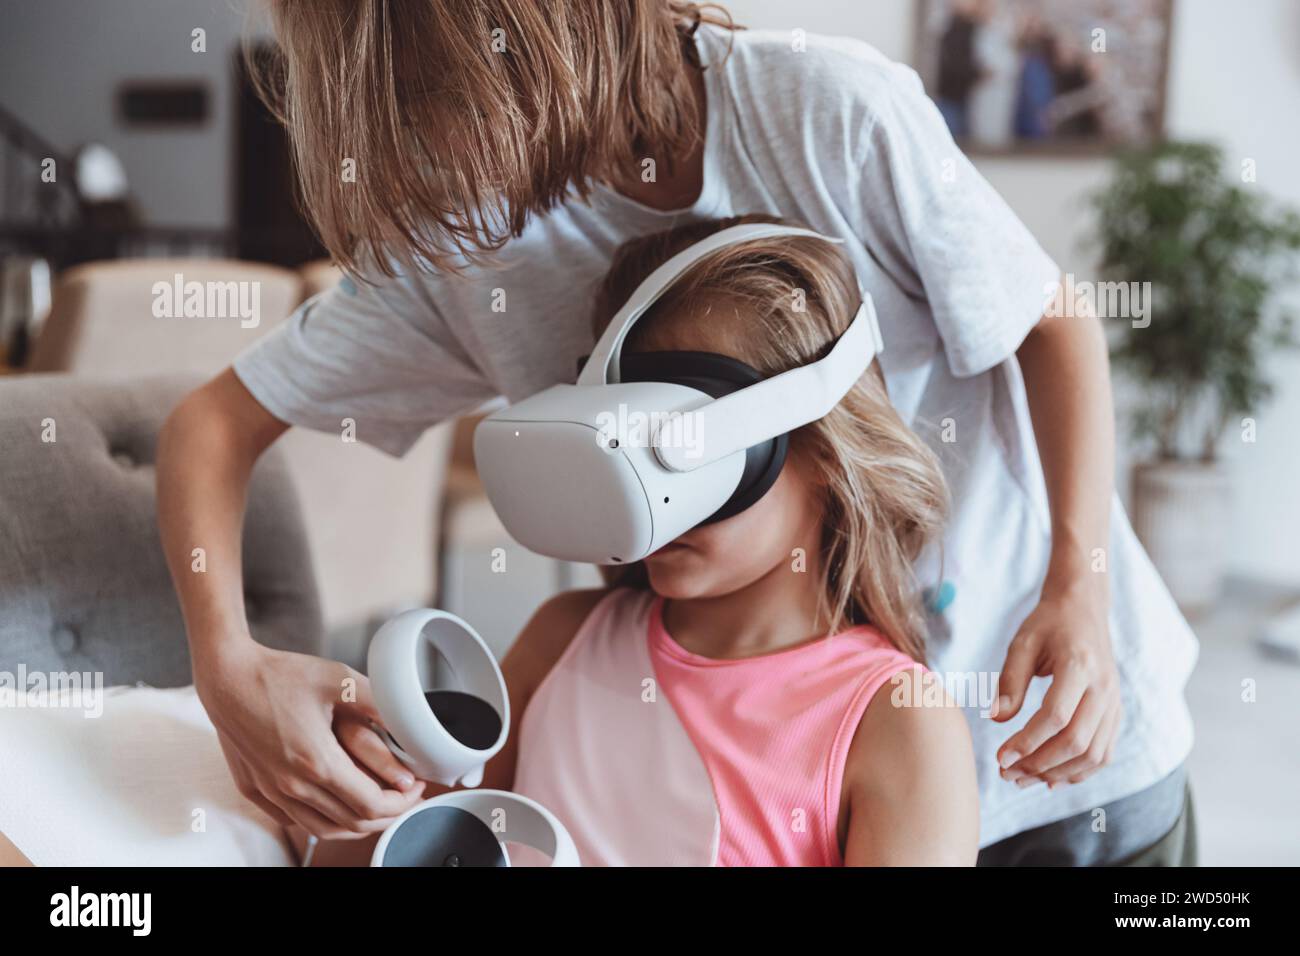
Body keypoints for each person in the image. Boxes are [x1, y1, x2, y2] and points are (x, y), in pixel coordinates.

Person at [157, 1, 1197, 865]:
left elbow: (1048, 318)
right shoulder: (463, 254)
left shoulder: (823, 110)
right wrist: (229, 662)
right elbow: (212, 423)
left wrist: (1079, 584)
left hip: (1057, 733)